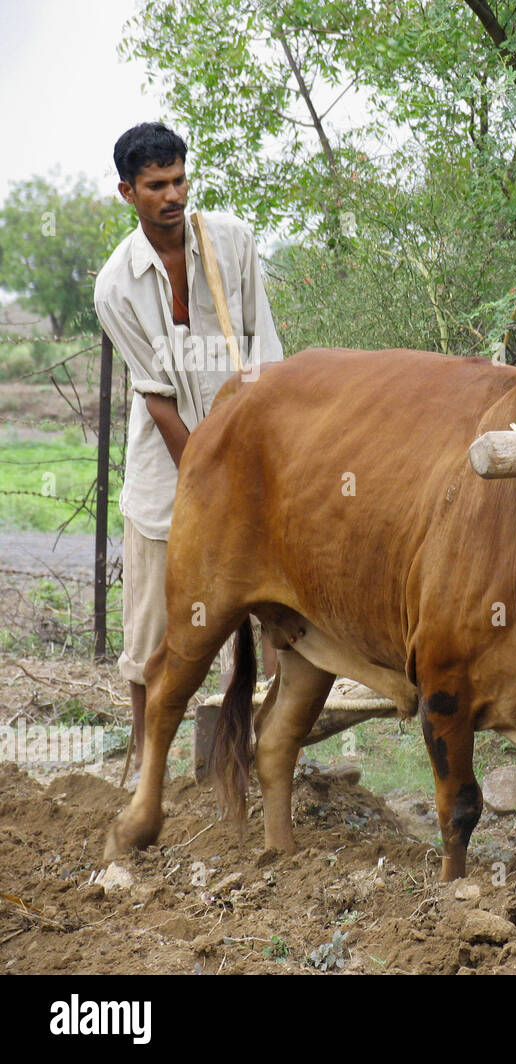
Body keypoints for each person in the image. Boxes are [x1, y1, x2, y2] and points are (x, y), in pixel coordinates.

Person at [94, 122, 282, 776]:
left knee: (273, 606)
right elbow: (158, 400)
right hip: (167, 469)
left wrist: (255, 468)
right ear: (128, 192)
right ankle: (145, 766)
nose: (172, 195)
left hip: (252, 450)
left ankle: (268, 752)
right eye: (156, 186)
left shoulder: (229, 242)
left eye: (179, 180)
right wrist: (209, 487)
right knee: (152, 628)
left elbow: (264, 357)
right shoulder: (116, 287)